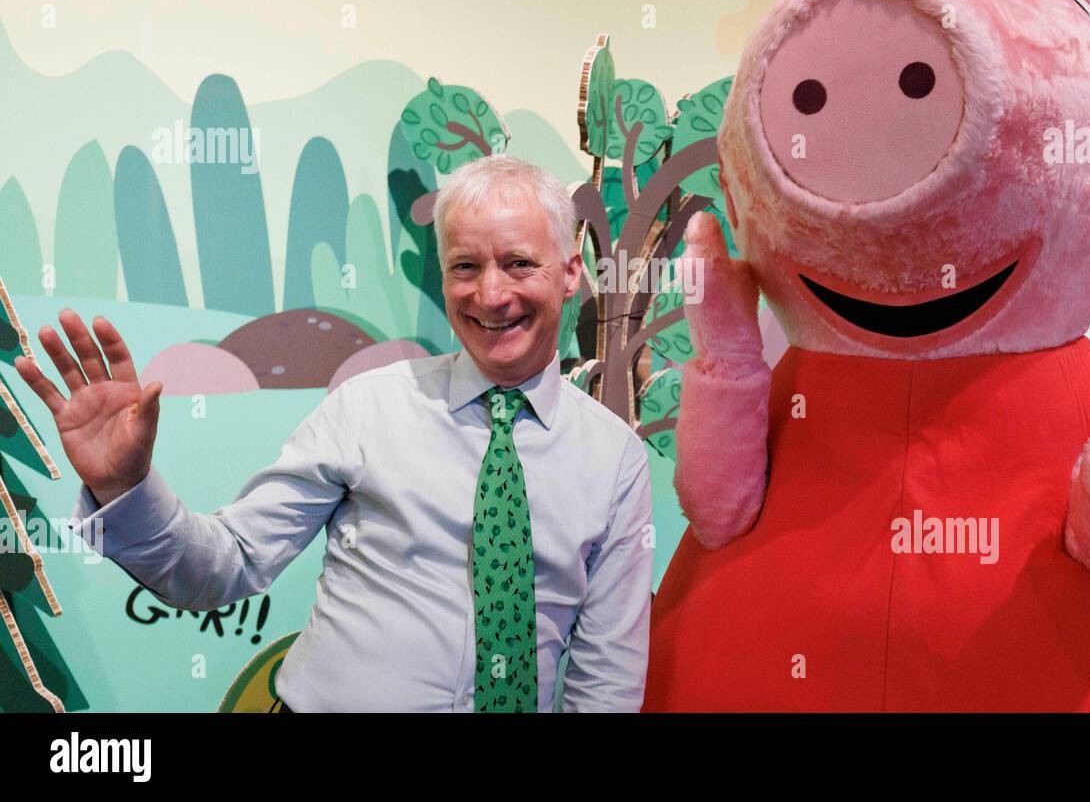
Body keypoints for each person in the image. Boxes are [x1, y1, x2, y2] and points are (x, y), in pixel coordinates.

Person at [17, 155, 653, 712]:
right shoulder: (366, 409)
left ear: (571, 272)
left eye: (518, 263)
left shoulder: (616, 458)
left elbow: (607, 679)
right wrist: (124, 485)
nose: (491, 294)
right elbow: (224, 567)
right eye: (465, 266)